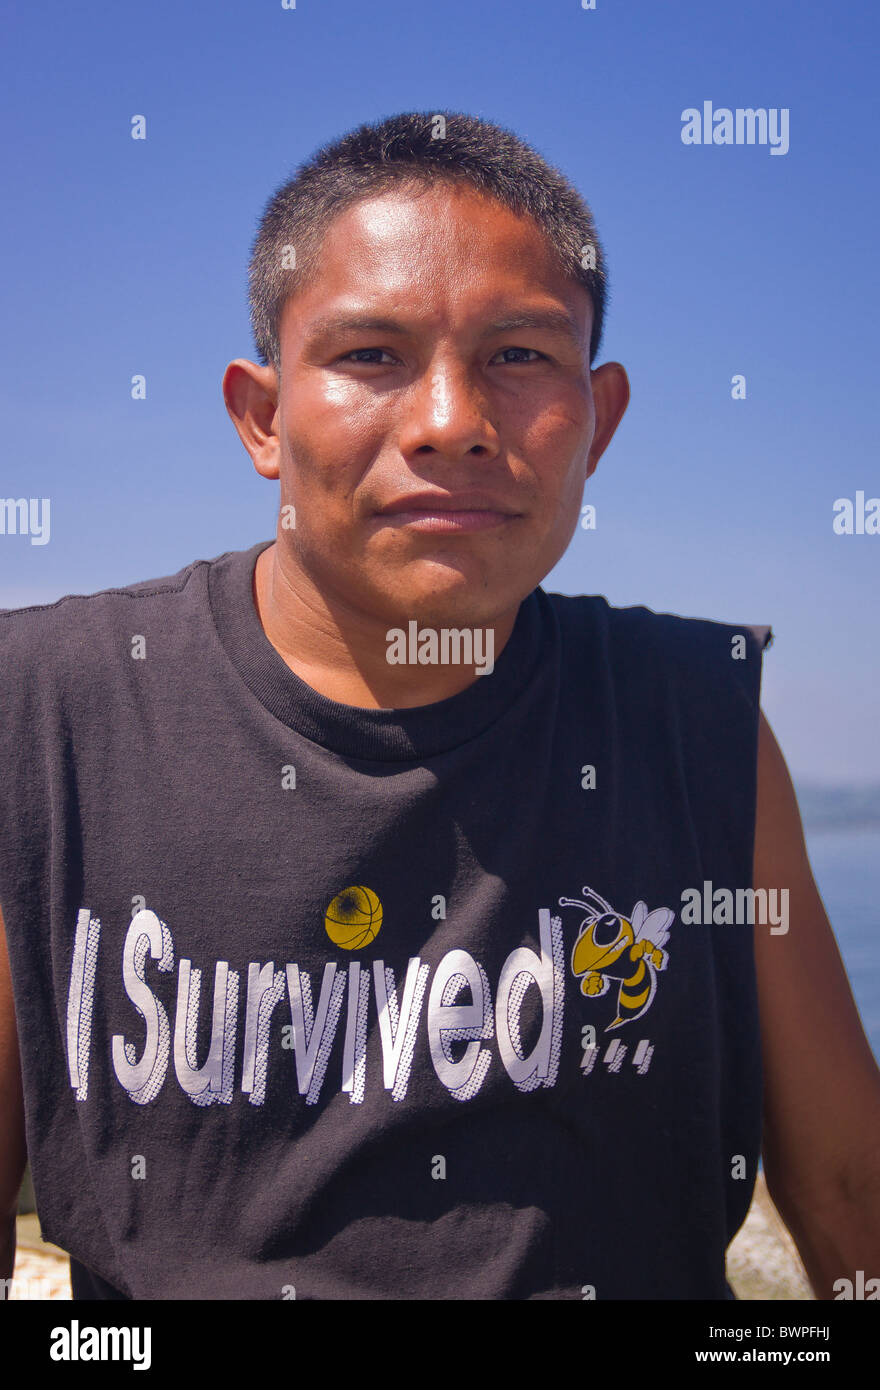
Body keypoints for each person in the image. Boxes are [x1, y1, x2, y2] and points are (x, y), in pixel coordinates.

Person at [1, 110, 878, 1302]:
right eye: (371, 355)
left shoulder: (695, 722)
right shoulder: (52, 713)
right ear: (262, 416)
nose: (451, 421)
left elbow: (843, 1191)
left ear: (600, 418)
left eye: (519, 356)